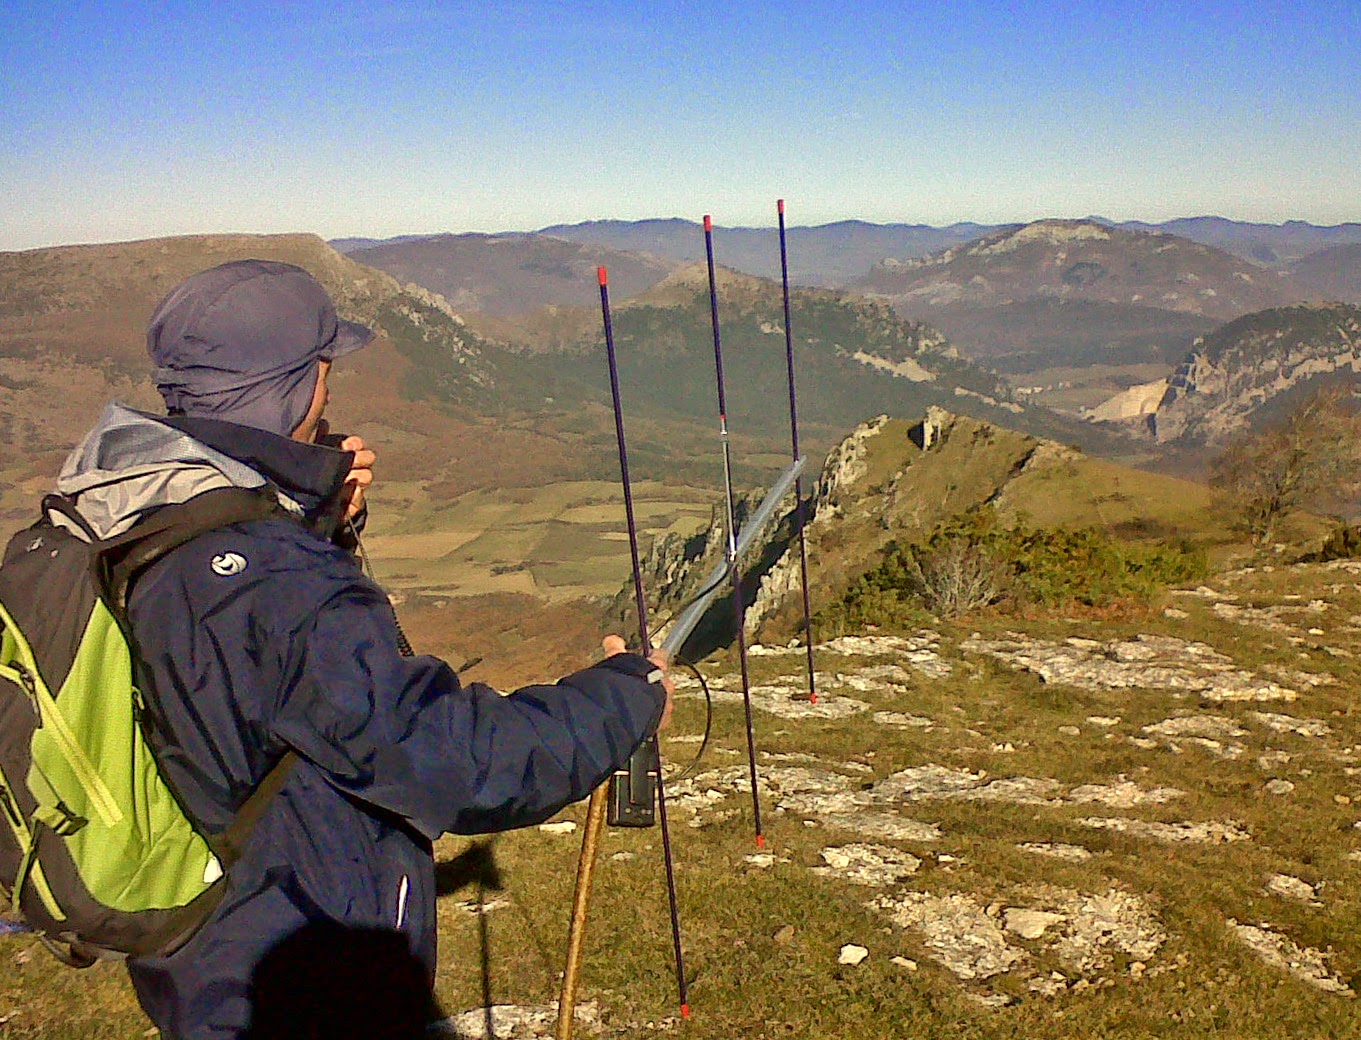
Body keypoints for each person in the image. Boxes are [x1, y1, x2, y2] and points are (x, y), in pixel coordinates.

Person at [53, 259, 672, 1039]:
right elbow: (455, 761)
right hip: (300, 965)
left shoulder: (134, 505)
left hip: (199, 937)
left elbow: (240, 668)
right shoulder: (276, 581)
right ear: (305, 380)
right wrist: (623, 695)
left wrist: (316, 515)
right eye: (325, 366)